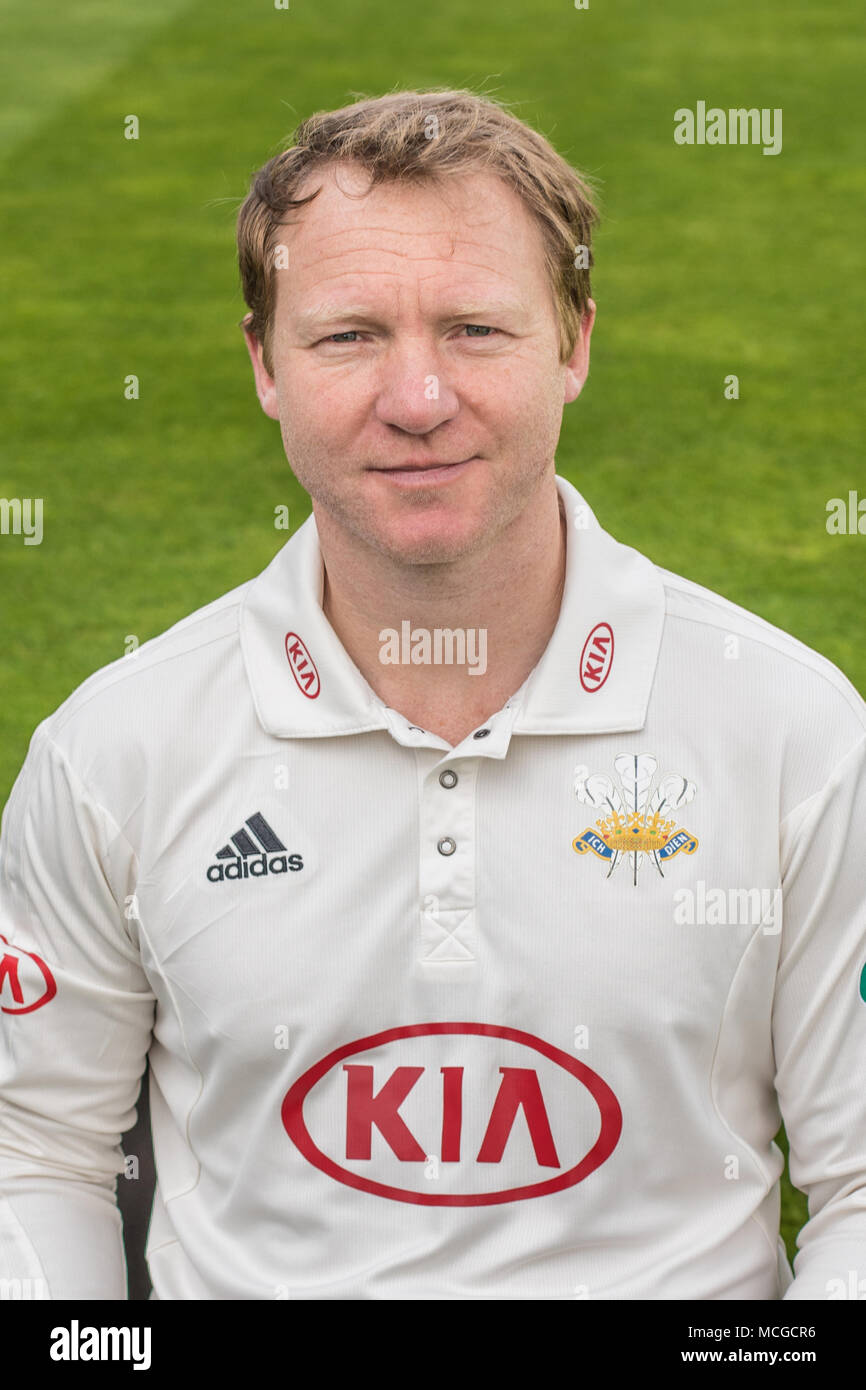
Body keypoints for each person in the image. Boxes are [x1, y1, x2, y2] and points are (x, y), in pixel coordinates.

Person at [1, 88, 864, 1301]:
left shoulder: (791, 733)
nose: (416, 399)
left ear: (573, 345)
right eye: (348, 336)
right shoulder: (114, 751)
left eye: (474, 329)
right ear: (263, 364)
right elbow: (34, 1151)